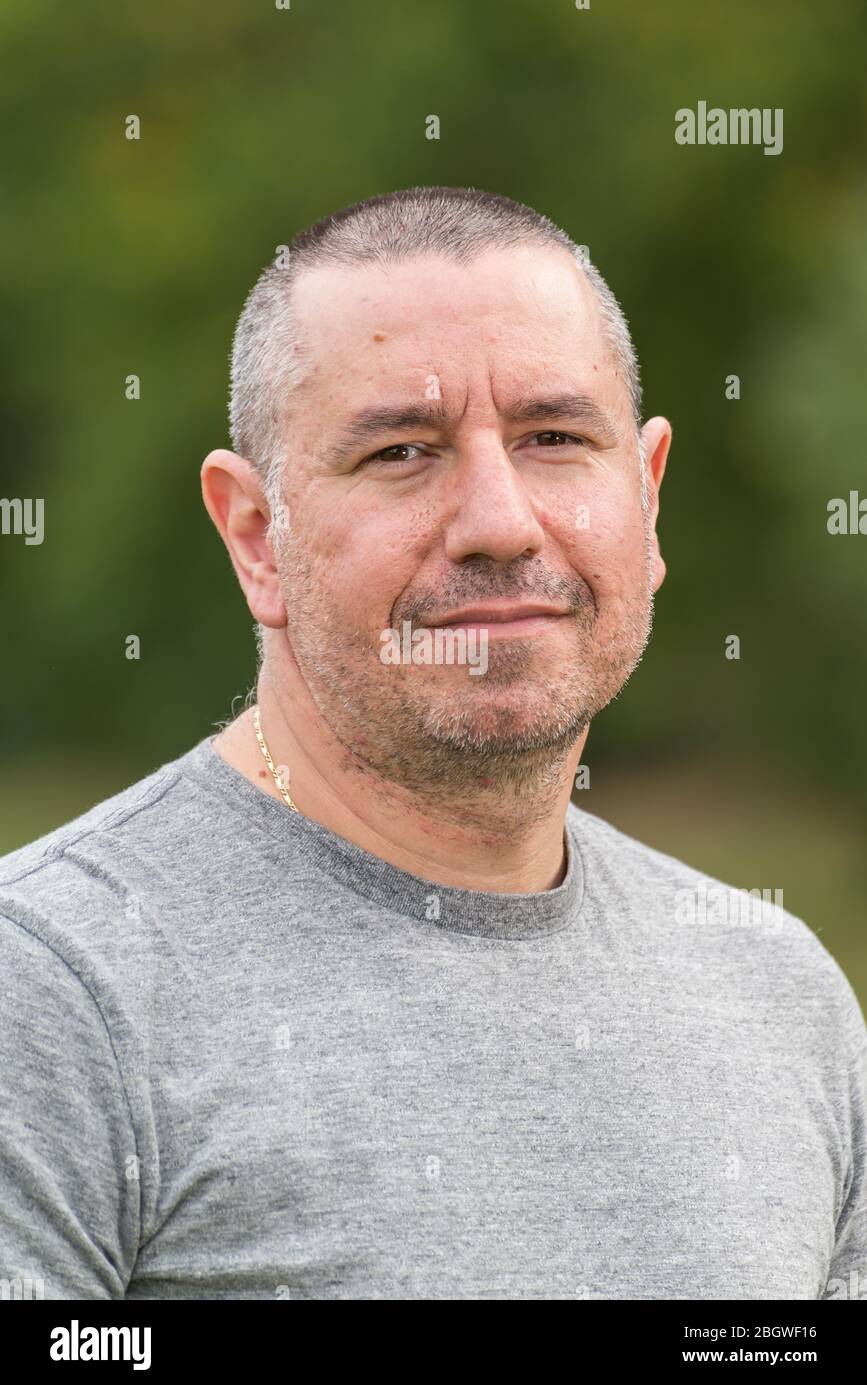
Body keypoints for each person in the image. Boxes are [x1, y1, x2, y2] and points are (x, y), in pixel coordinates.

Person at [1, 186, 864, 1301]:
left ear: (647, 500)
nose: (500, 521)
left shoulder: (778, 993)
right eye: (404, 451)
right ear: (257, 537)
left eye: (556, 438)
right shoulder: (54, 993)